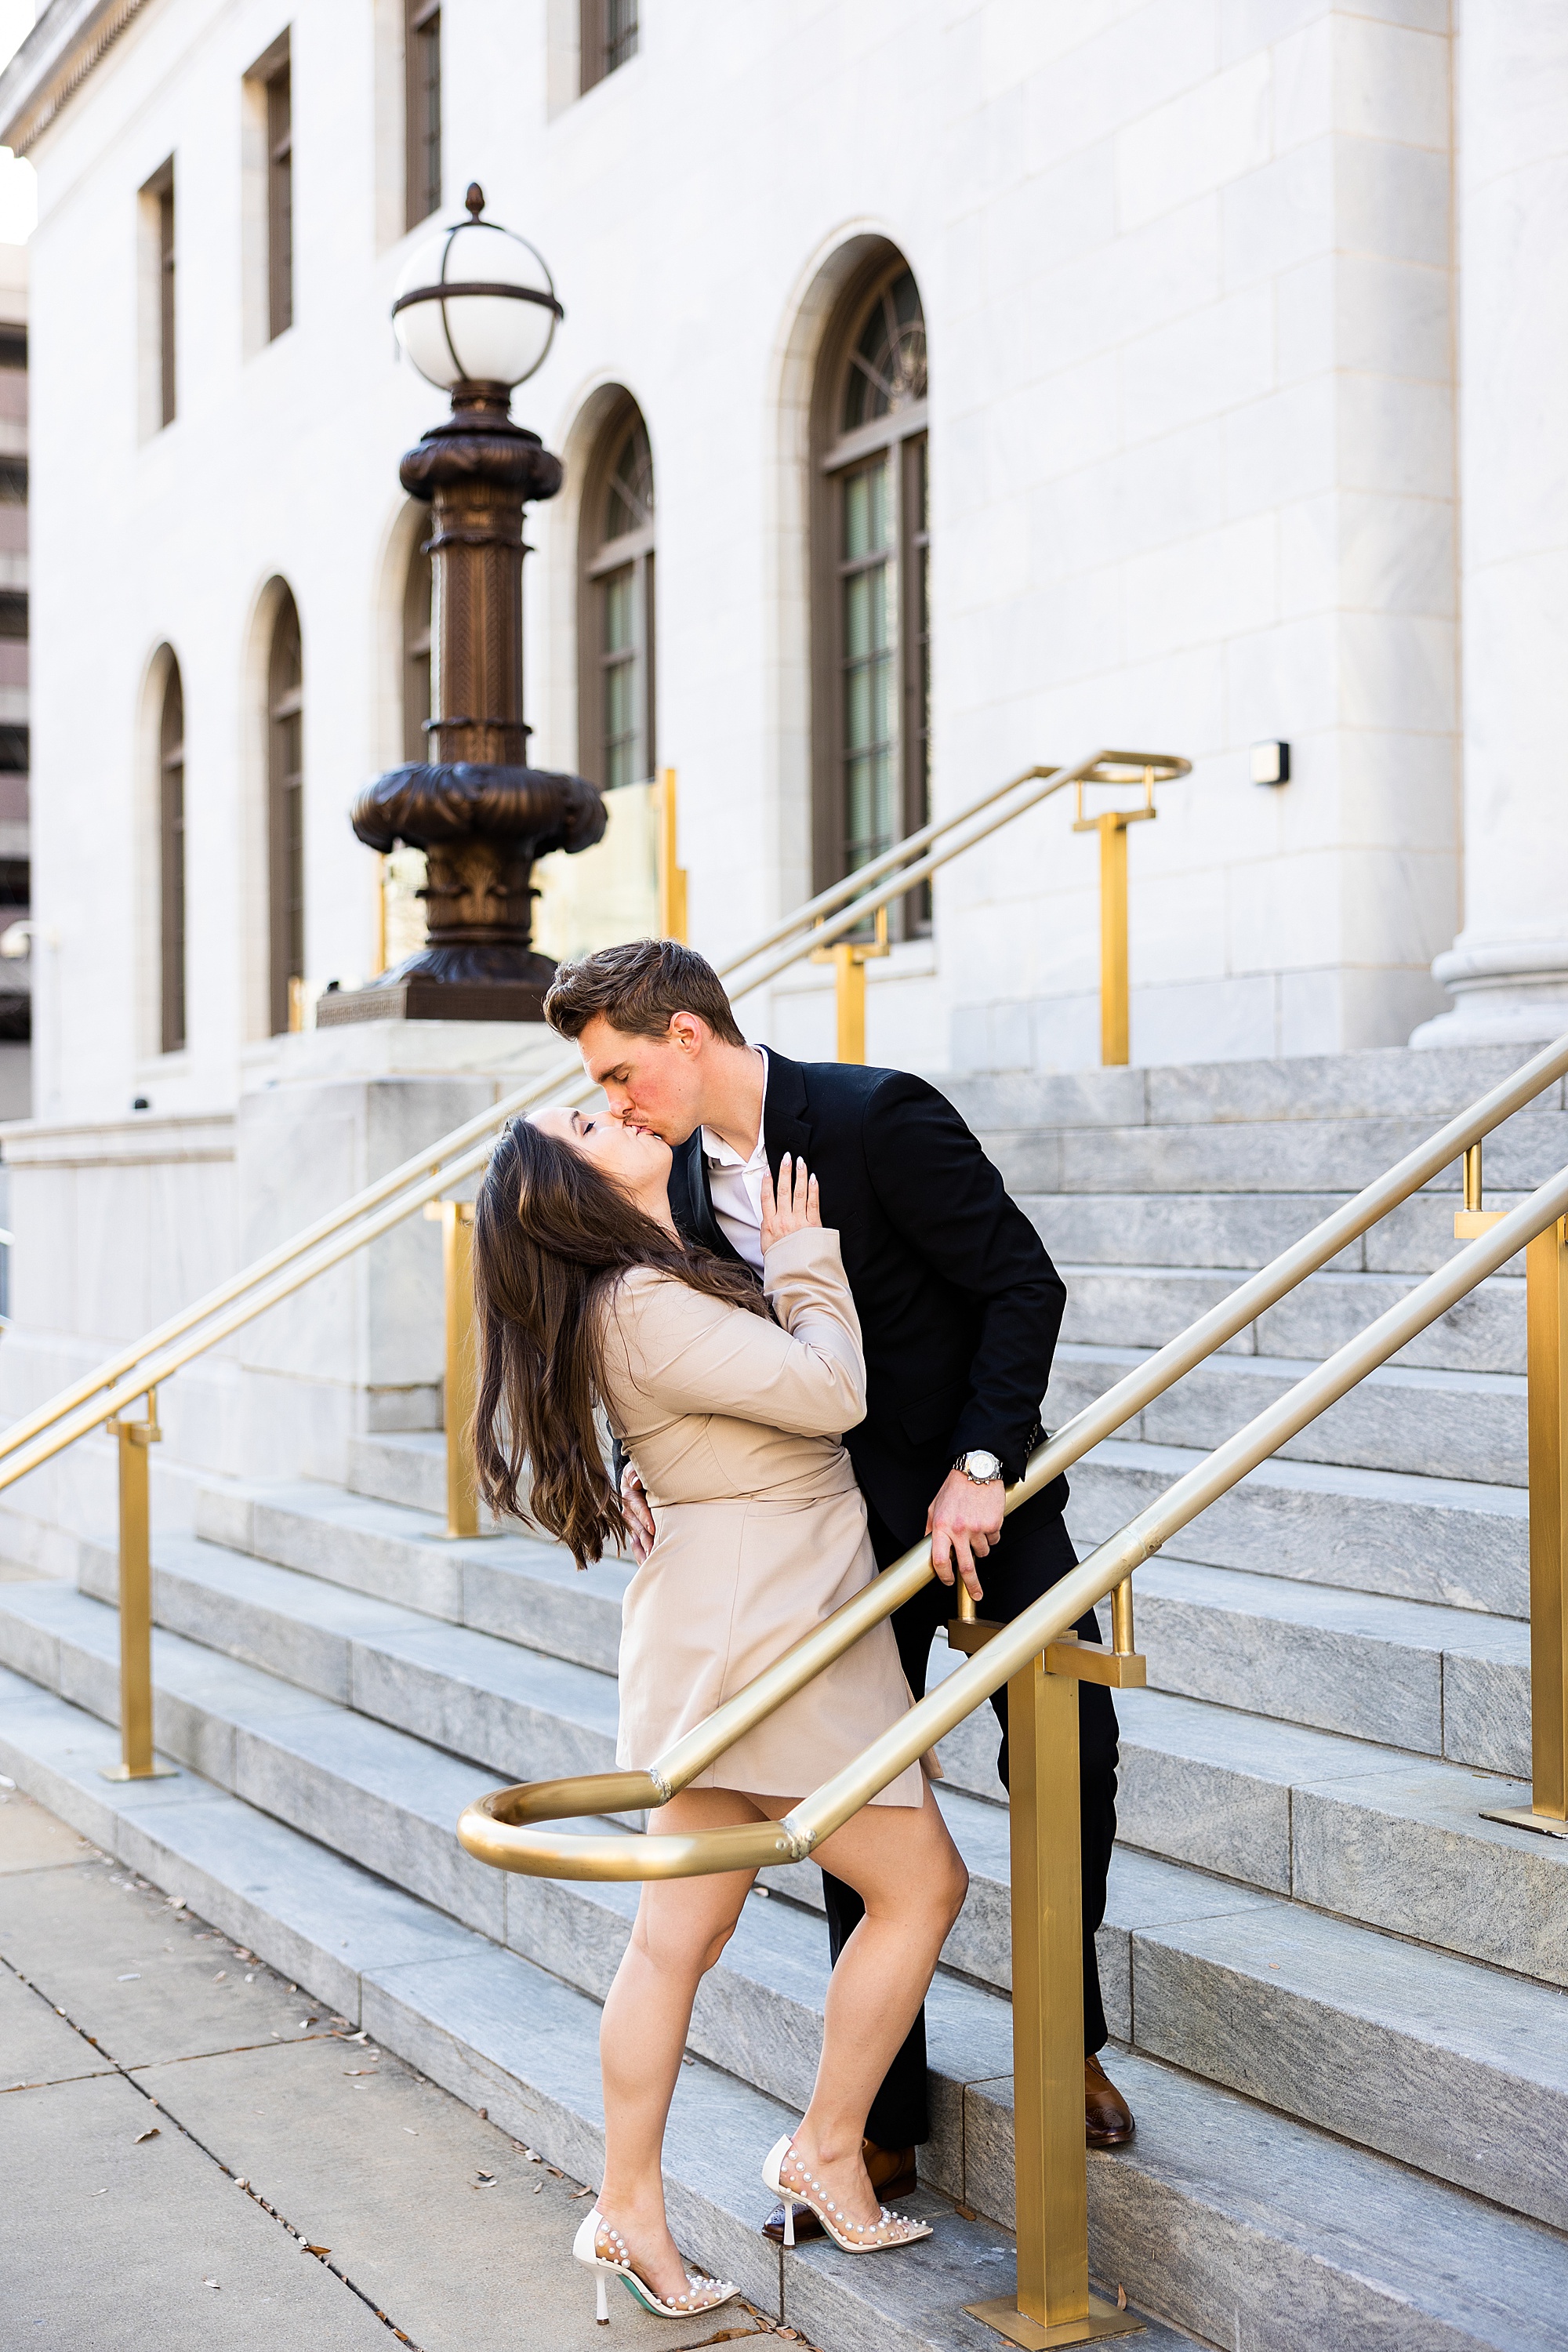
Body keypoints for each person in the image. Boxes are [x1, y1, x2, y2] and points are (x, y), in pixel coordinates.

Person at [543, 938, 1133, 2239]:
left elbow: (1020, 1288)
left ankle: (1067, 2035)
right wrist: (632, 1462)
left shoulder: (879, 1117)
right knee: (846, 1813)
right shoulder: (671, 1186)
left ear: (689, 1034)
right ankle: (878, 2122)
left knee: (1068, 1758)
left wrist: (984, 1463)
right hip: (821, 1549)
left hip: (973, 1506)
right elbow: (640, 1330)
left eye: (625, 1074)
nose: (623, 1105)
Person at [470, 1111, 968, 2322]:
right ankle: (827, 2146)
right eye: (586, 1120)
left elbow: (711, 1414)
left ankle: (628, 2209)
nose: (617, 1113)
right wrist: (807, 1261)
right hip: (774, 1626)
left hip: (727, 1616)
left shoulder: (635, 1291)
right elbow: (834, 1393)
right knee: (920, 1887)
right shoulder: (637, 1299)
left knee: (675, 1939)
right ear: (569, 1188)